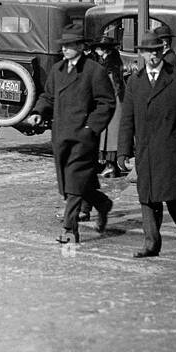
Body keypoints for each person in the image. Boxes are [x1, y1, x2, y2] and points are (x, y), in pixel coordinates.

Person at [30, 22, 116, 244]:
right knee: (72, 182)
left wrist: (91, 129)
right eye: (63, 45)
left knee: (74, 183)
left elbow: (106, 103)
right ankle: (102, 203)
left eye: (69, 45)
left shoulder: (94, 71)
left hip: (83, 138)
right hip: (60, 136)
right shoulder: (58, 70)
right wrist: (39, 111)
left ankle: (70, 230)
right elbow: (48, 96)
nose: (64, 49)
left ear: (80, 46)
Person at [118, 34, 176, 258]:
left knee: (175, 202)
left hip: (172, 150)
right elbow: (127, 119)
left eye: (156, 50)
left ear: (162, 51)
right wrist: (123, 151)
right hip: (146, 151)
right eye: (148, 51)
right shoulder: (134, 82)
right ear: (142, 54)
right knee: (147, 200)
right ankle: (151, 244)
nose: (153, 55)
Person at [93, 34, 127, 179]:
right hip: (116, 103)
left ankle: (110, 166)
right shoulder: (114, 63)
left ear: (104, 50)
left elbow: (108, 87)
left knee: (108, 137)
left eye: (99, 48)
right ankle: (111, 166)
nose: (96, 51)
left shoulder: (107, 67)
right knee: (110, 136)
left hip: (111, 104)